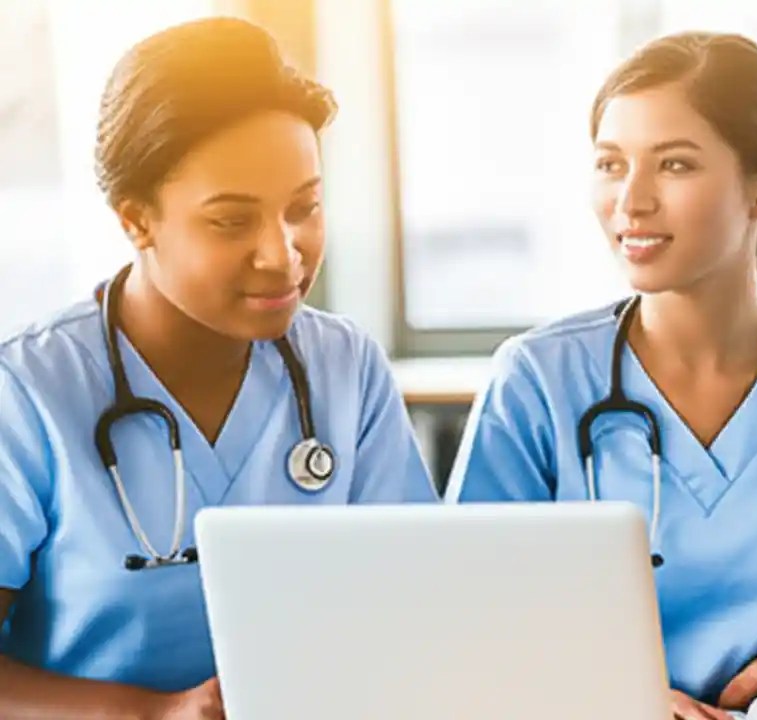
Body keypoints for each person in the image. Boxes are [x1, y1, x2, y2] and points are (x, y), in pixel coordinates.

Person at [445, 31, 757, 719]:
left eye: (675, 165)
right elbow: (476, 628)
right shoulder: (537, 381)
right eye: (610, 164)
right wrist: (625, 701)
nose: (631, 200)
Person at [0, 16, 436, 719]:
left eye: (304, 207)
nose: (283, 254)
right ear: (136, 219)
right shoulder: (27, 393)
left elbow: (412, 606)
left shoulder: (344, 367)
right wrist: (154, 713)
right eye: (232, 221)